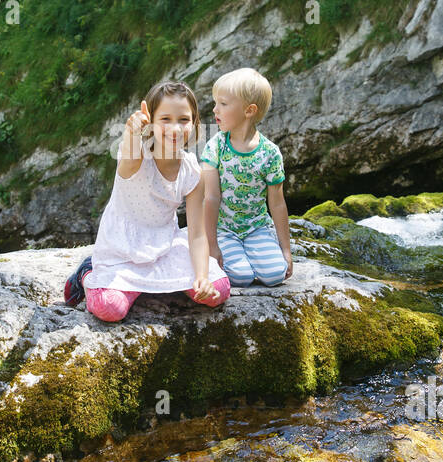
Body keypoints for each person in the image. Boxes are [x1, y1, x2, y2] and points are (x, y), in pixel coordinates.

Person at [63, 81, 230, 322]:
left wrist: (202, 276)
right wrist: (132, 131)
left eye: (183, 120)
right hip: (123, 249)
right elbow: (128, 160)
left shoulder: (192, 170)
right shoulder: (138, 155)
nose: (175, 128)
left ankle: (149, 283)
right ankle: (88, 272)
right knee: (110, 308)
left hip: (164, 247)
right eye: (165, 119)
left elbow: (196, 234)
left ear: (194, 123)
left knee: (219, 290)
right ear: (150, 120)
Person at [200, 67, 293, 286]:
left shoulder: (270, 153)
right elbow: (211, 197)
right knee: (239, 277)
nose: (215, 110)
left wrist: (286, 250)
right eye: (216, 103)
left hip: (256, 227)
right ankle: (231, 253)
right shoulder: (215, 147)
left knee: (275, 275)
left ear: (249, 110)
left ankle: (258, 249)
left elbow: (277, 204)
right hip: (224, 228)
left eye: (223, 104)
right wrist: (211, 245)